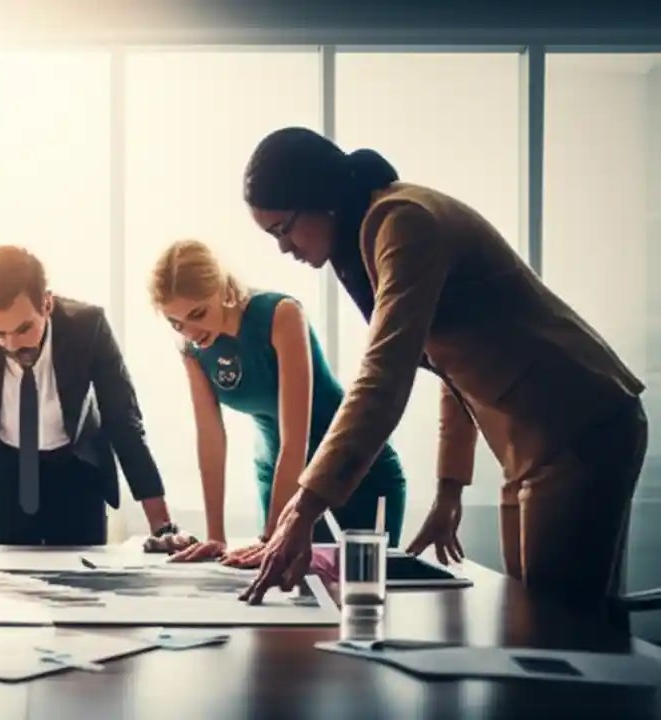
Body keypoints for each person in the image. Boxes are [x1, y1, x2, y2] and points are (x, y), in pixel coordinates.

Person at [237, 126, 646, 612]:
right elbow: (451, 362)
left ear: (320, 197)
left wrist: (304, 506)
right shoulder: (373, 231)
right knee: (536, 619)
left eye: (283, 228)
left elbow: (384, 374)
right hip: (535, 438)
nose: (284, 247)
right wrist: (449, 491)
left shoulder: (402, 222)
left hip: (578, 422)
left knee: (558, 626)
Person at [0, 245, 196, 562]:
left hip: (77, 471)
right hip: (5, 471)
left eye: (24, 328)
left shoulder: (88, 327)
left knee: (84, 588)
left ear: (47, 303)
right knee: (9, 588)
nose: (12, 345)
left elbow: (123, 420)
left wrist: (161, 527)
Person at [149, 239, 408, 567]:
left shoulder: (280, 315)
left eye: (197, 313)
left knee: (358, 597)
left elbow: (295, 439)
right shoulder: (190, 346)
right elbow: (211, 437)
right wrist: (216, 535)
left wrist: (274, 535)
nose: (190, 330)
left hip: (352, 471)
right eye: (176, 322)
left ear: (222, 288)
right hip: (278, 480)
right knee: (284, 597)